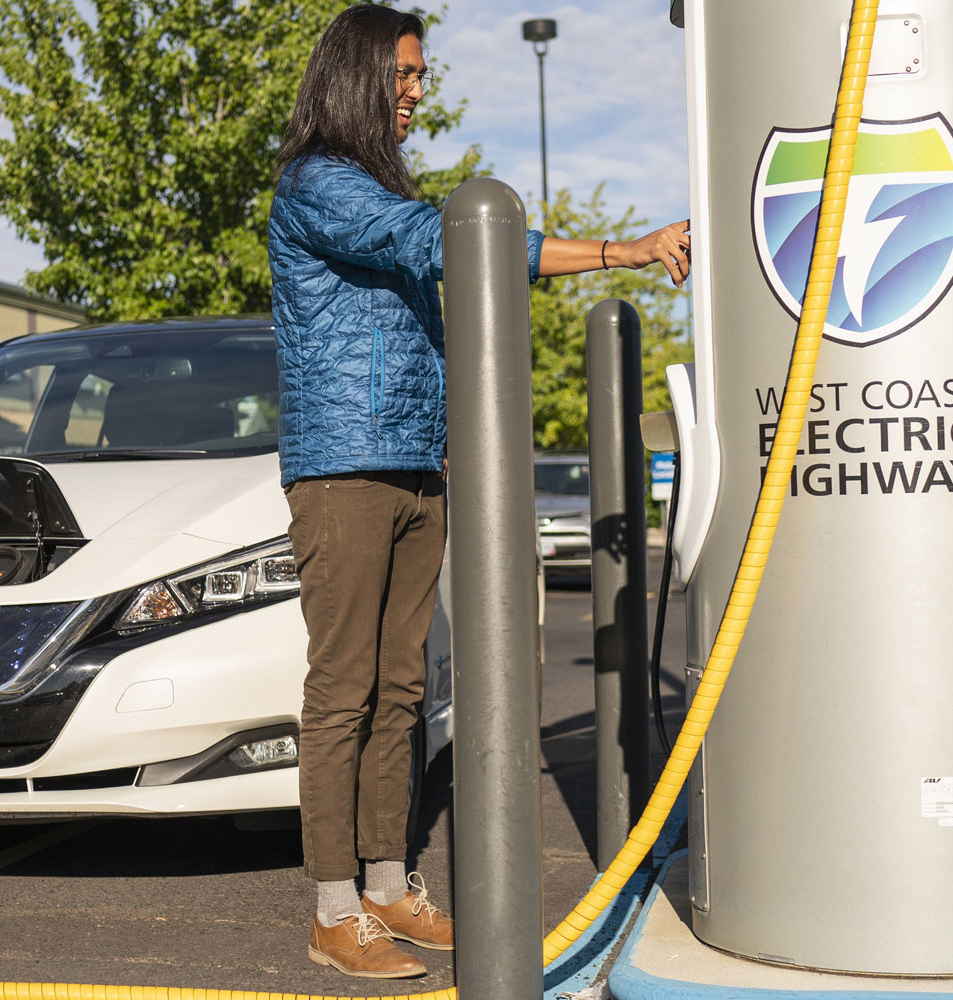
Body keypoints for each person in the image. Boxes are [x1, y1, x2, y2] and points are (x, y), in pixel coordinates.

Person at [268, 3, 690, 980]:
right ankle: (333, 911)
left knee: (403, 687)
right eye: (408, 73)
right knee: (345, 688)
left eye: (419, 74)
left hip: (416, 464)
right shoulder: (320, 184)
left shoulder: (371, 185)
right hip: (344, 466)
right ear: (363, 74)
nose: (418, 90)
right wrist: (623, 251)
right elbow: (448, 243)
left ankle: (385, 887)